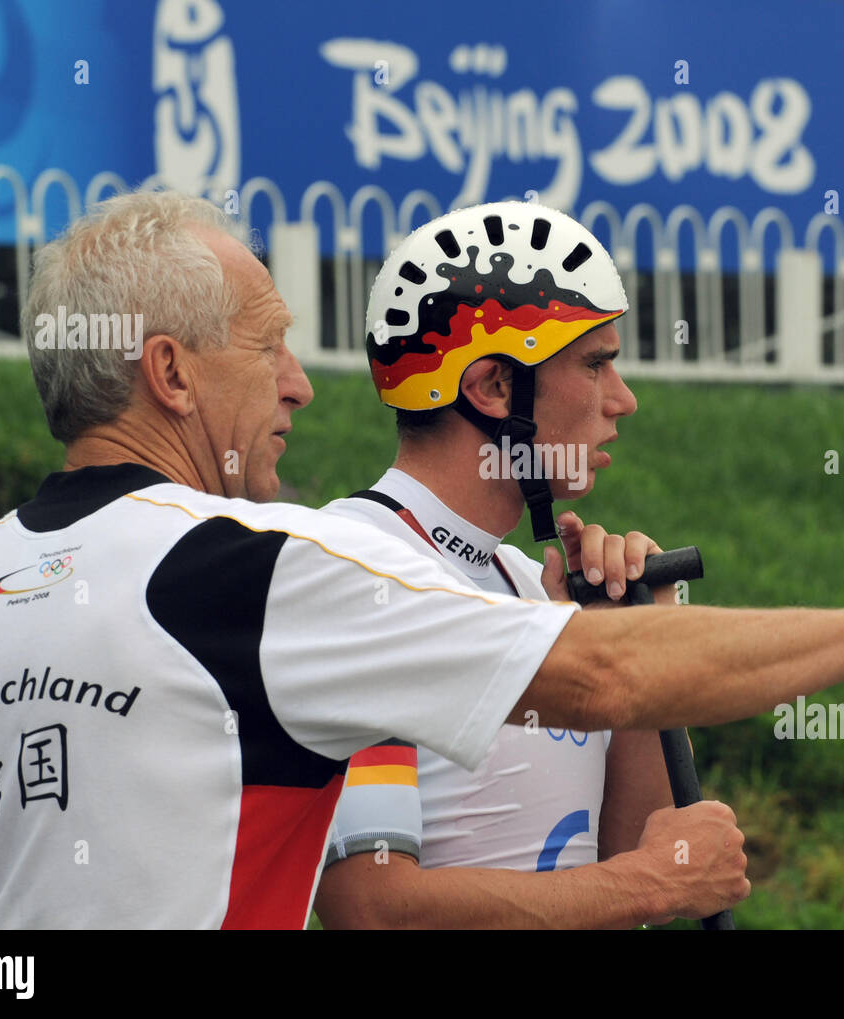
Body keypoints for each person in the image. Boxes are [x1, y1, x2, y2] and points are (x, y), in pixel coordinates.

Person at [0, 189, 844, 930]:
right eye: (269, 347)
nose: (300, 383)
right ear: (170, 373)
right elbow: (591, 697)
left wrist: (616, 627)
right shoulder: (268, 565)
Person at [316, 202, 745, 929]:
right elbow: (373, 909)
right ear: (491, 388)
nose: (624, 400)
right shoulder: (357, 568)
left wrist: (636, 647)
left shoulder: (525, 580)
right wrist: (653, 884)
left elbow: (616, 871)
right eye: (596, 363)